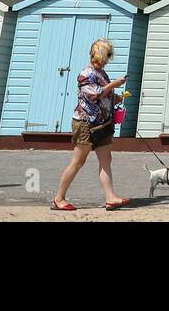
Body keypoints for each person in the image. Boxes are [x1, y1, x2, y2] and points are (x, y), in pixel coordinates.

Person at [51, 38, 130, 211]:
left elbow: (103, 95)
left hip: (102, 123)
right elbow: (93, 95)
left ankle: (111, 198)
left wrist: (115, 96)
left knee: (106, 160)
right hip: (85, 123)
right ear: (96, 54)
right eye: (106, 55)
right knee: (78, 161)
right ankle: (59, 198)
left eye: (109, 55)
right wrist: (113, 85)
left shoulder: (101, 73)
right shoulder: (86, 74)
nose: (107, 59)